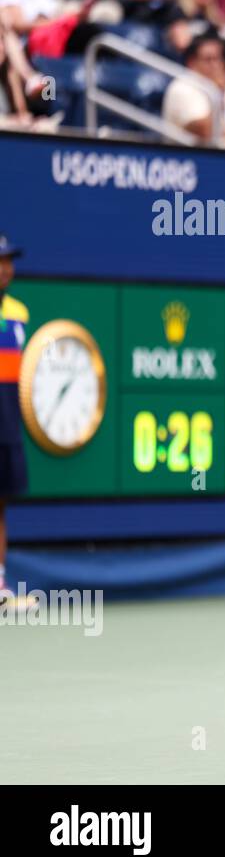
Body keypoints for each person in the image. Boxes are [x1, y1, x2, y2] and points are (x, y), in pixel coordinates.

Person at [0, 233, 31, 610]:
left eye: (9, 261)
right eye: (0, 261)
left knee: (1, 506)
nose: (5, 268)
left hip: (8, 427)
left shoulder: (19, 313)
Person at [162, 29, 224, 142]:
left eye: (217, 59)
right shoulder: (182, 87)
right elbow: (204, 131)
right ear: (191, 62)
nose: (215, 65)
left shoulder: (224, 84)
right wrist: (220, 93)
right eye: (208, 60)